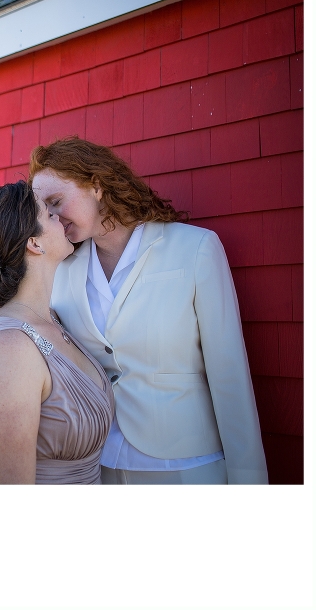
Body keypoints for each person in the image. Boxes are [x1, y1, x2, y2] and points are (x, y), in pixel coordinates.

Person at [30, 137, 268, 484]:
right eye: (44, 211)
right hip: (98, 466)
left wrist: (251, 484)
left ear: (96, 185)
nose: (52, 218)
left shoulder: (195, 249)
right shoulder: (61, 270)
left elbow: (230, 377)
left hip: (186, 466)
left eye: (56, 201)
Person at [0, 181, 114, 484]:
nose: (61, 218)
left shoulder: (53, 322)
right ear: (35, 243)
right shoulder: (7, 351)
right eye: (49, 214)